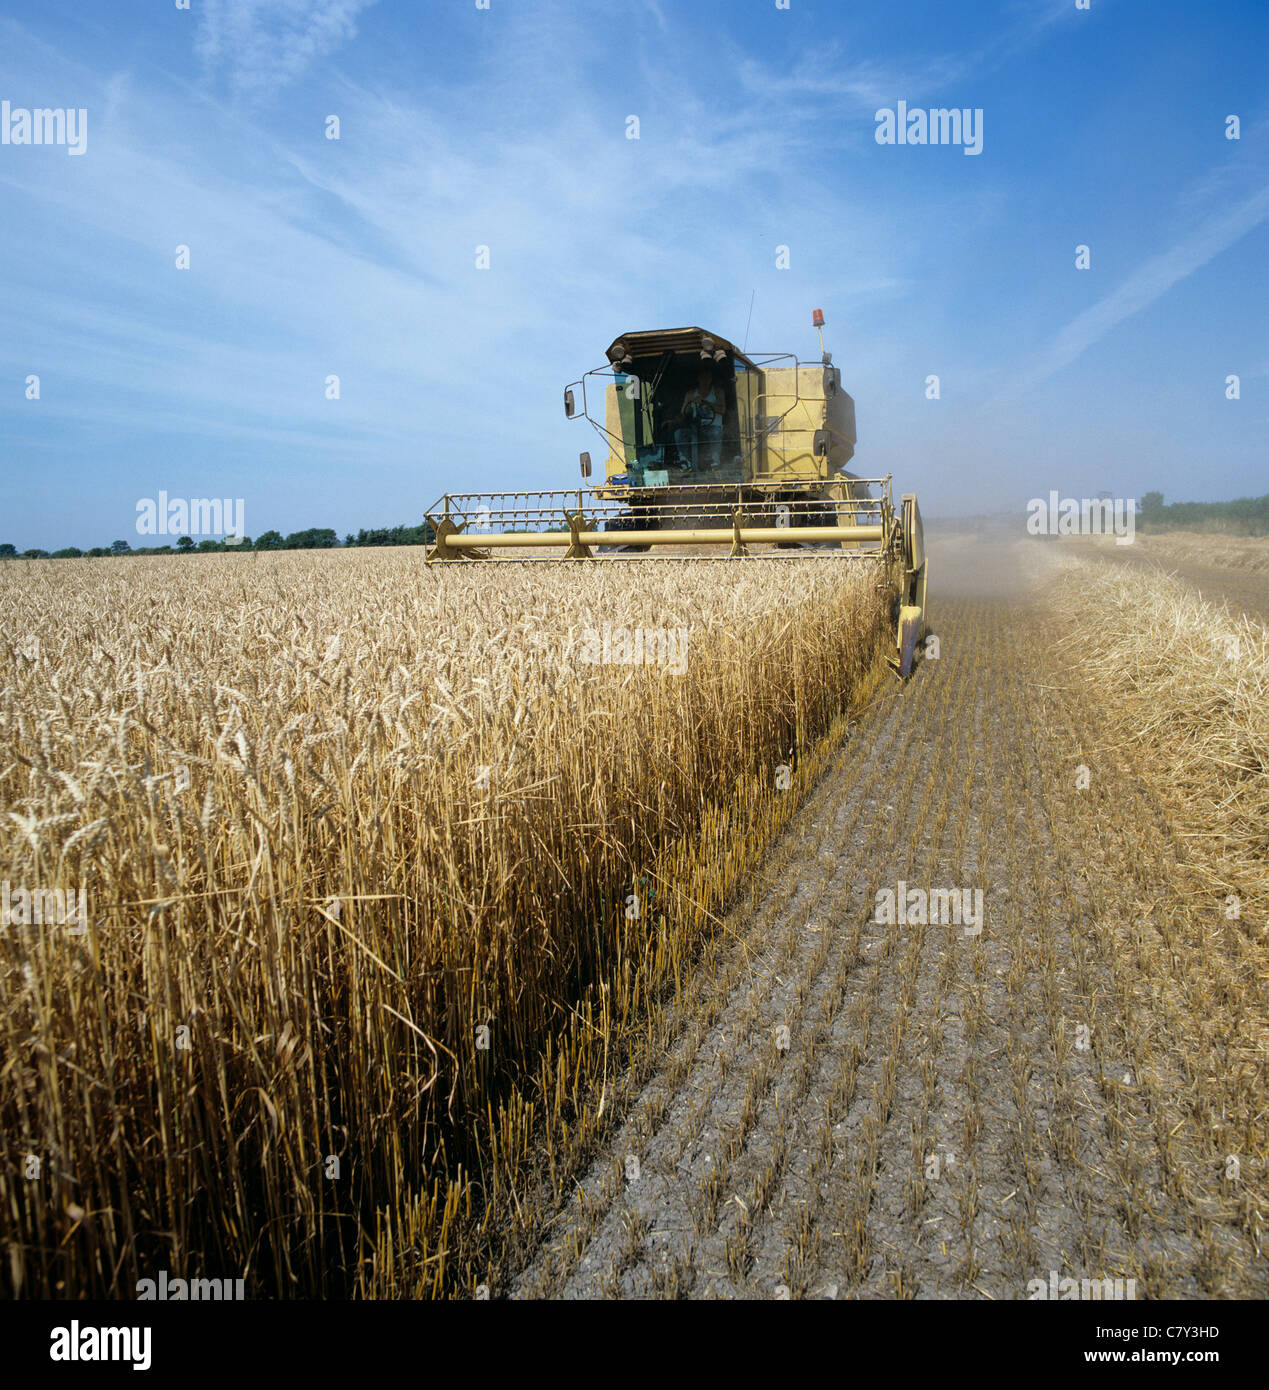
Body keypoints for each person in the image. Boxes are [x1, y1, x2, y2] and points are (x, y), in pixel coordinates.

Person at [673, 366, 726, 472]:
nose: (705, 380)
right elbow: (682, 414)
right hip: (696, 428)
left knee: (715, 432)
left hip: (713, 427)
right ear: (698, 378)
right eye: (703, 377)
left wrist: (704, 402)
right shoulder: (690, 394)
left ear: (711, 379)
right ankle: (686, 462)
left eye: (708, 377)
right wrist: (673, 421)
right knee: (679, 434)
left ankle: (715, 462)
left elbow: (722, 410)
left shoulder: (717, 392)